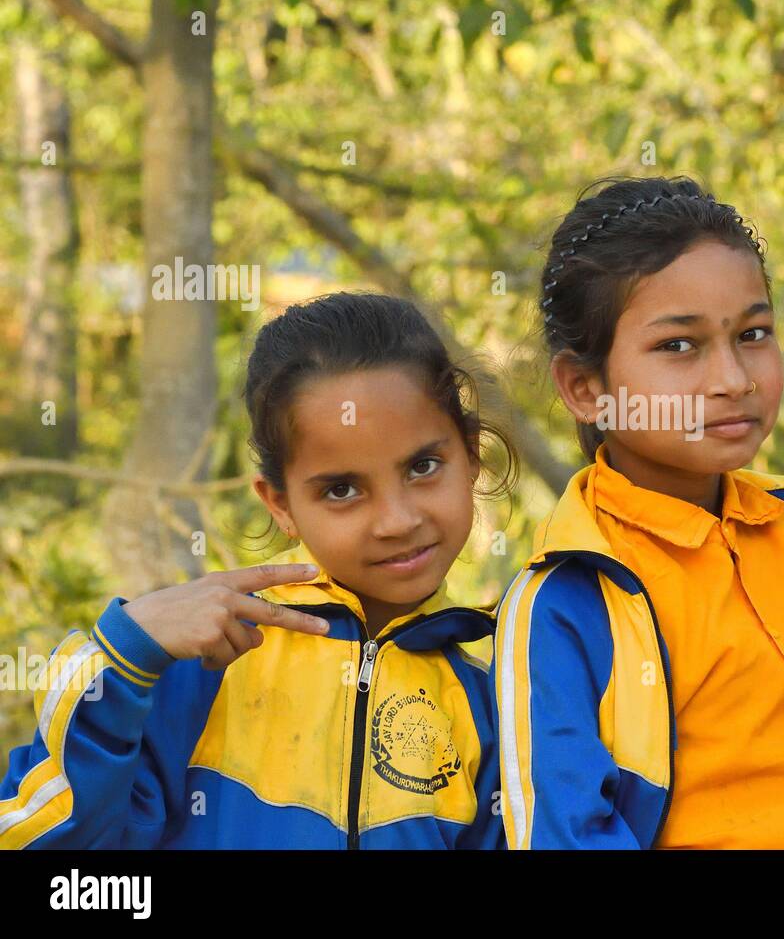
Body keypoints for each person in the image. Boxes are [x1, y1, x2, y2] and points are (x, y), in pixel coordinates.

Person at [0, 292, 511, 848]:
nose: (395, 520)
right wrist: (124, 654)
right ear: (281, 504)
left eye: (422, 466)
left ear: (471, 455)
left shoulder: (501, 691)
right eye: (341, 489)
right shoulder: (205, 663)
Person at [493, 176, 784, 849]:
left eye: (753, 333)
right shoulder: (567, 598)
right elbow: (565, 831)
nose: (733, 379)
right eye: (679, 346)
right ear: (584, 387)